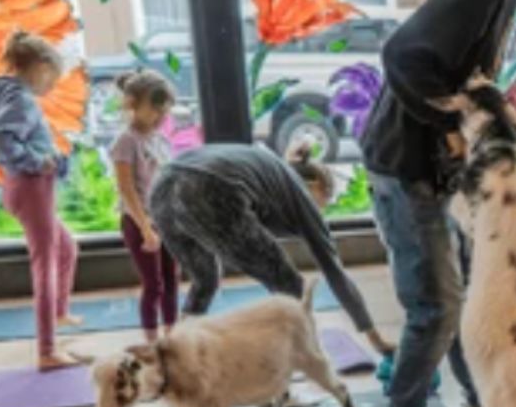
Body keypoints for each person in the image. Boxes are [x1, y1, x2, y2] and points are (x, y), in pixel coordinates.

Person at [361, 0, 516, 407]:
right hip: (407, 170)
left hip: (434, 173)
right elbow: (402, 55)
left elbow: (458, 73)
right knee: (436, 307)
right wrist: (450, 126)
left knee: (465, 298)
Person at [149, 143, 394, 355]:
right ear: (314, 186)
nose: (323, 210)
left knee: (205, 281)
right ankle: (290, 373)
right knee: (291, 287)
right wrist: (375, 339)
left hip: (161, 188)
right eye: (325, 200)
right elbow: (335, 272)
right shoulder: (300, 194)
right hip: (208, 188)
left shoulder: (273, 175)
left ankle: (171, 356)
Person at [0, 32, 81, 371]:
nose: (52, 86)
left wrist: (13, 158)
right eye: (52, 78)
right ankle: (47, 351)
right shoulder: (23, 99)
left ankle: (58, 315)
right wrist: (31, 160)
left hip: (19, 187)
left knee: (67, 248)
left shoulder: (1, 94)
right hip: (32, 188)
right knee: (44, 265)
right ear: (40, 68)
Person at [111, 70, 179, 342]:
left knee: (171, 279)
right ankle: (151, 344)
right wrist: (146, 229)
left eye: (165, 111)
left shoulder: (160, 139)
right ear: (132, 104)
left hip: (165, 219)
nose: (160, 117)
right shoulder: (126, 141)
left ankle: (172, 336)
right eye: (155, 110)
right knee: (154, 284)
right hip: (139, 222)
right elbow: (127, 189)